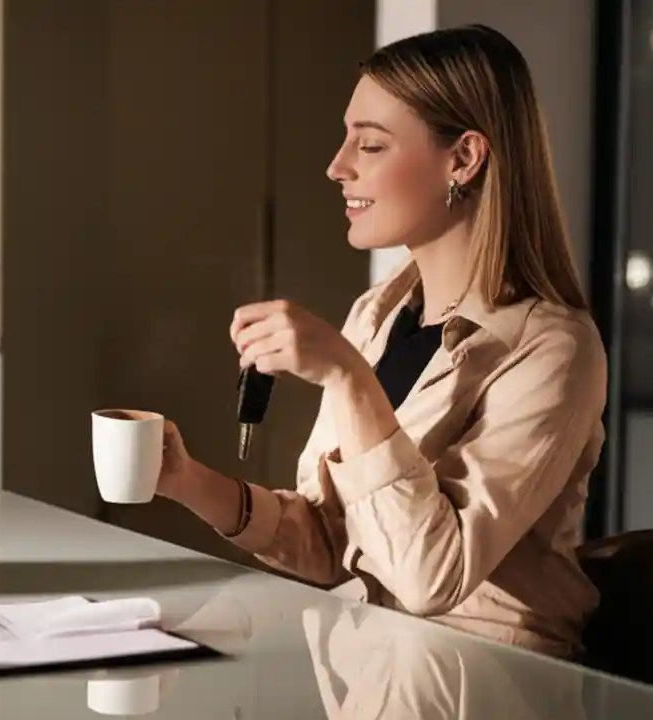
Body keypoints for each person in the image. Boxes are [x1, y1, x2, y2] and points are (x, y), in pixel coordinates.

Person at [157, 24, 606, 659]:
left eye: (369, 145)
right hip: (375, 671)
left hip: (493, 684)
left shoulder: (554, 350)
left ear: (463, 159)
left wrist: (345, 374)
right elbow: (332, 542)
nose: (337, 166)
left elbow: (431, 578)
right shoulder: (379, 314)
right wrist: (184, 479)